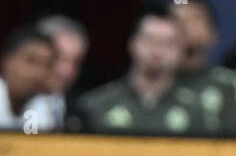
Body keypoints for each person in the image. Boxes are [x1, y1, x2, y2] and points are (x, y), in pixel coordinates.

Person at [74, 8, 221, 137]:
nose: (157, 50)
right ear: (132, 43)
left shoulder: (199, 111)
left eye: (168, 43)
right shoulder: (96, 105)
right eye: (150, 40)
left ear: (181, 50)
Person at [170, 0, 236, 137]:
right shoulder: (151, 84)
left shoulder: (232, 85)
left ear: (213, 33)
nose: (184, 27)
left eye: (195, 19)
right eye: (176, 20)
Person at [0, 26, 58, 131]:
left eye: (47, 65)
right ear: (6, 61)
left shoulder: (41, 105)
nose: (39, 73)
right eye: (31, 61)